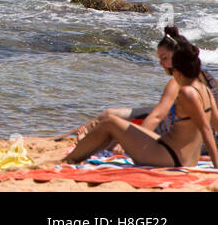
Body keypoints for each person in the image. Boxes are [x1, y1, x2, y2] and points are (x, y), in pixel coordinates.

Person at [66, 33, 218, 167]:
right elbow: (215, 125)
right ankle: (86, 145)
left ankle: (68, 160)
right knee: (117, 123)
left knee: (110, 121)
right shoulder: (203, 88)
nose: (161, 64)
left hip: (171, 157)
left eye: (164, 59)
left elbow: (205, 130)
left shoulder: (185, 91)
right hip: (183, 156)